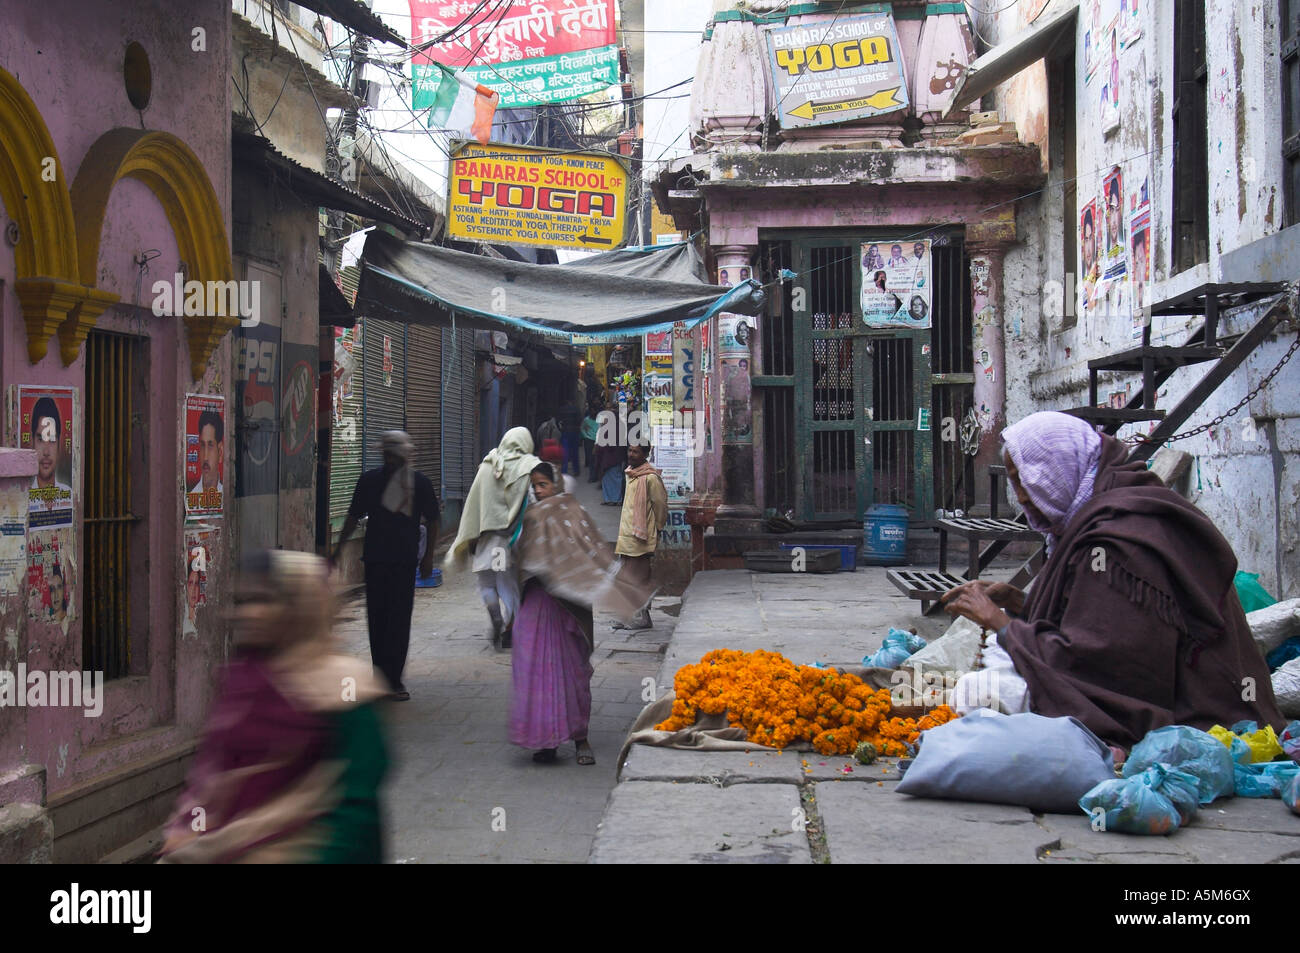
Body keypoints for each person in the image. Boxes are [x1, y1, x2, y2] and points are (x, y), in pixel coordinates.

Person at [941, 411, 1286, 751]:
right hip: (1156, 683)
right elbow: (1100, 623)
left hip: (1191, 708)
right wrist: (1019, 602)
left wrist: (999, 622)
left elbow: (1101, 664)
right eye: (1016, 482)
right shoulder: (1107, 511)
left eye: (1026, 479)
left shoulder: (1117, 540)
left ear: (1061, 468)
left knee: (979, 693)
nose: (1023, 497)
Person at [158, 550, 389, 863]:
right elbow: (213, 771)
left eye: (264, 600)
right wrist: (189, 828)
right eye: (242, 601)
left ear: (300, 607)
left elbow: (353, 811)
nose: (247, 613)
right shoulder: (245, 680)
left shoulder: (347, 689)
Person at [512, 462, 654, 765]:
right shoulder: (532, 516)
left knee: (573, 674)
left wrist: (572, 575)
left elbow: (591, 553)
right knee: (535, 673)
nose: (538, 491)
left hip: (568, 608)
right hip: (537, 605)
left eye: (543, 485)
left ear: (556, 485)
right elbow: (522, 556)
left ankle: (580, 738)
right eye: (534, 486)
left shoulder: (573, 512)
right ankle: (545, 741)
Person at [332, 431, 439, 700]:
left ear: (403, 456)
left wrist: (428, 557)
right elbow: (353, 517)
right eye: (388, 454)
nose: (391, 458)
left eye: (395, 454)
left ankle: (394, 680)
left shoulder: (419, 483)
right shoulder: (370, 481)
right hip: (377, 560)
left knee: (399, 620)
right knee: (378, 620)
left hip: (404, 561)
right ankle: (380, 676)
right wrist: (338, 549)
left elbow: (434, 519)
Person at [447, 427, 540, 650]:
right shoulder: (529, 466)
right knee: (508, 586)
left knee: (487, 584)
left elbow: (473, 504)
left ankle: (495, 615)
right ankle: (511, 627)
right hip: (510, 541)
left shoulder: (486, 466)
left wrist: (470, 536)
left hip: (486, 540)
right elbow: (534, 502)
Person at [613, 438, 667, 630]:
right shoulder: (630, 474)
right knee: (628, 577)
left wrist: (657, 528)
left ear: (645, 454)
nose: (631, 455)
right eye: (629, 451)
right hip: (627, 535)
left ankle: (639, 618)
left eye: (635, 452)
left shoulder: (651, 478)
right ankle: (636, 616)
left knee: (637, 576)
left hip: (642, 536)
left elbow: (660, 505)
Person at [29, 396, 72, 521]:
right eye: (41, 439)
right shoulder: (23, 499)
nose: (46, 452)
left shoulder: (68, 495)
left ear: (59, 444)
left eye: (52, 440)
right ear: (32, 442)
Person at [189, 409, 224, 498]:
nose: (205, 457)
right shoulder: (191, 499)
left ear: (220, 452)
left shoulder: (226, 496)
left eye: (210, 445)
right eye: (203, 445)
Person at [581, 407, 600, 482]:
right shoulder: (586, 420)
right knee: (591, 459)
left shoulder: (600, 421)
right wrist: (586, 436)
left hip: (598, 441)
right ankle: (592, 476)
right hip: (589, 441)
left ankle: (596, 475)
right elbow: (582, 428)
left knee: (597, 459)